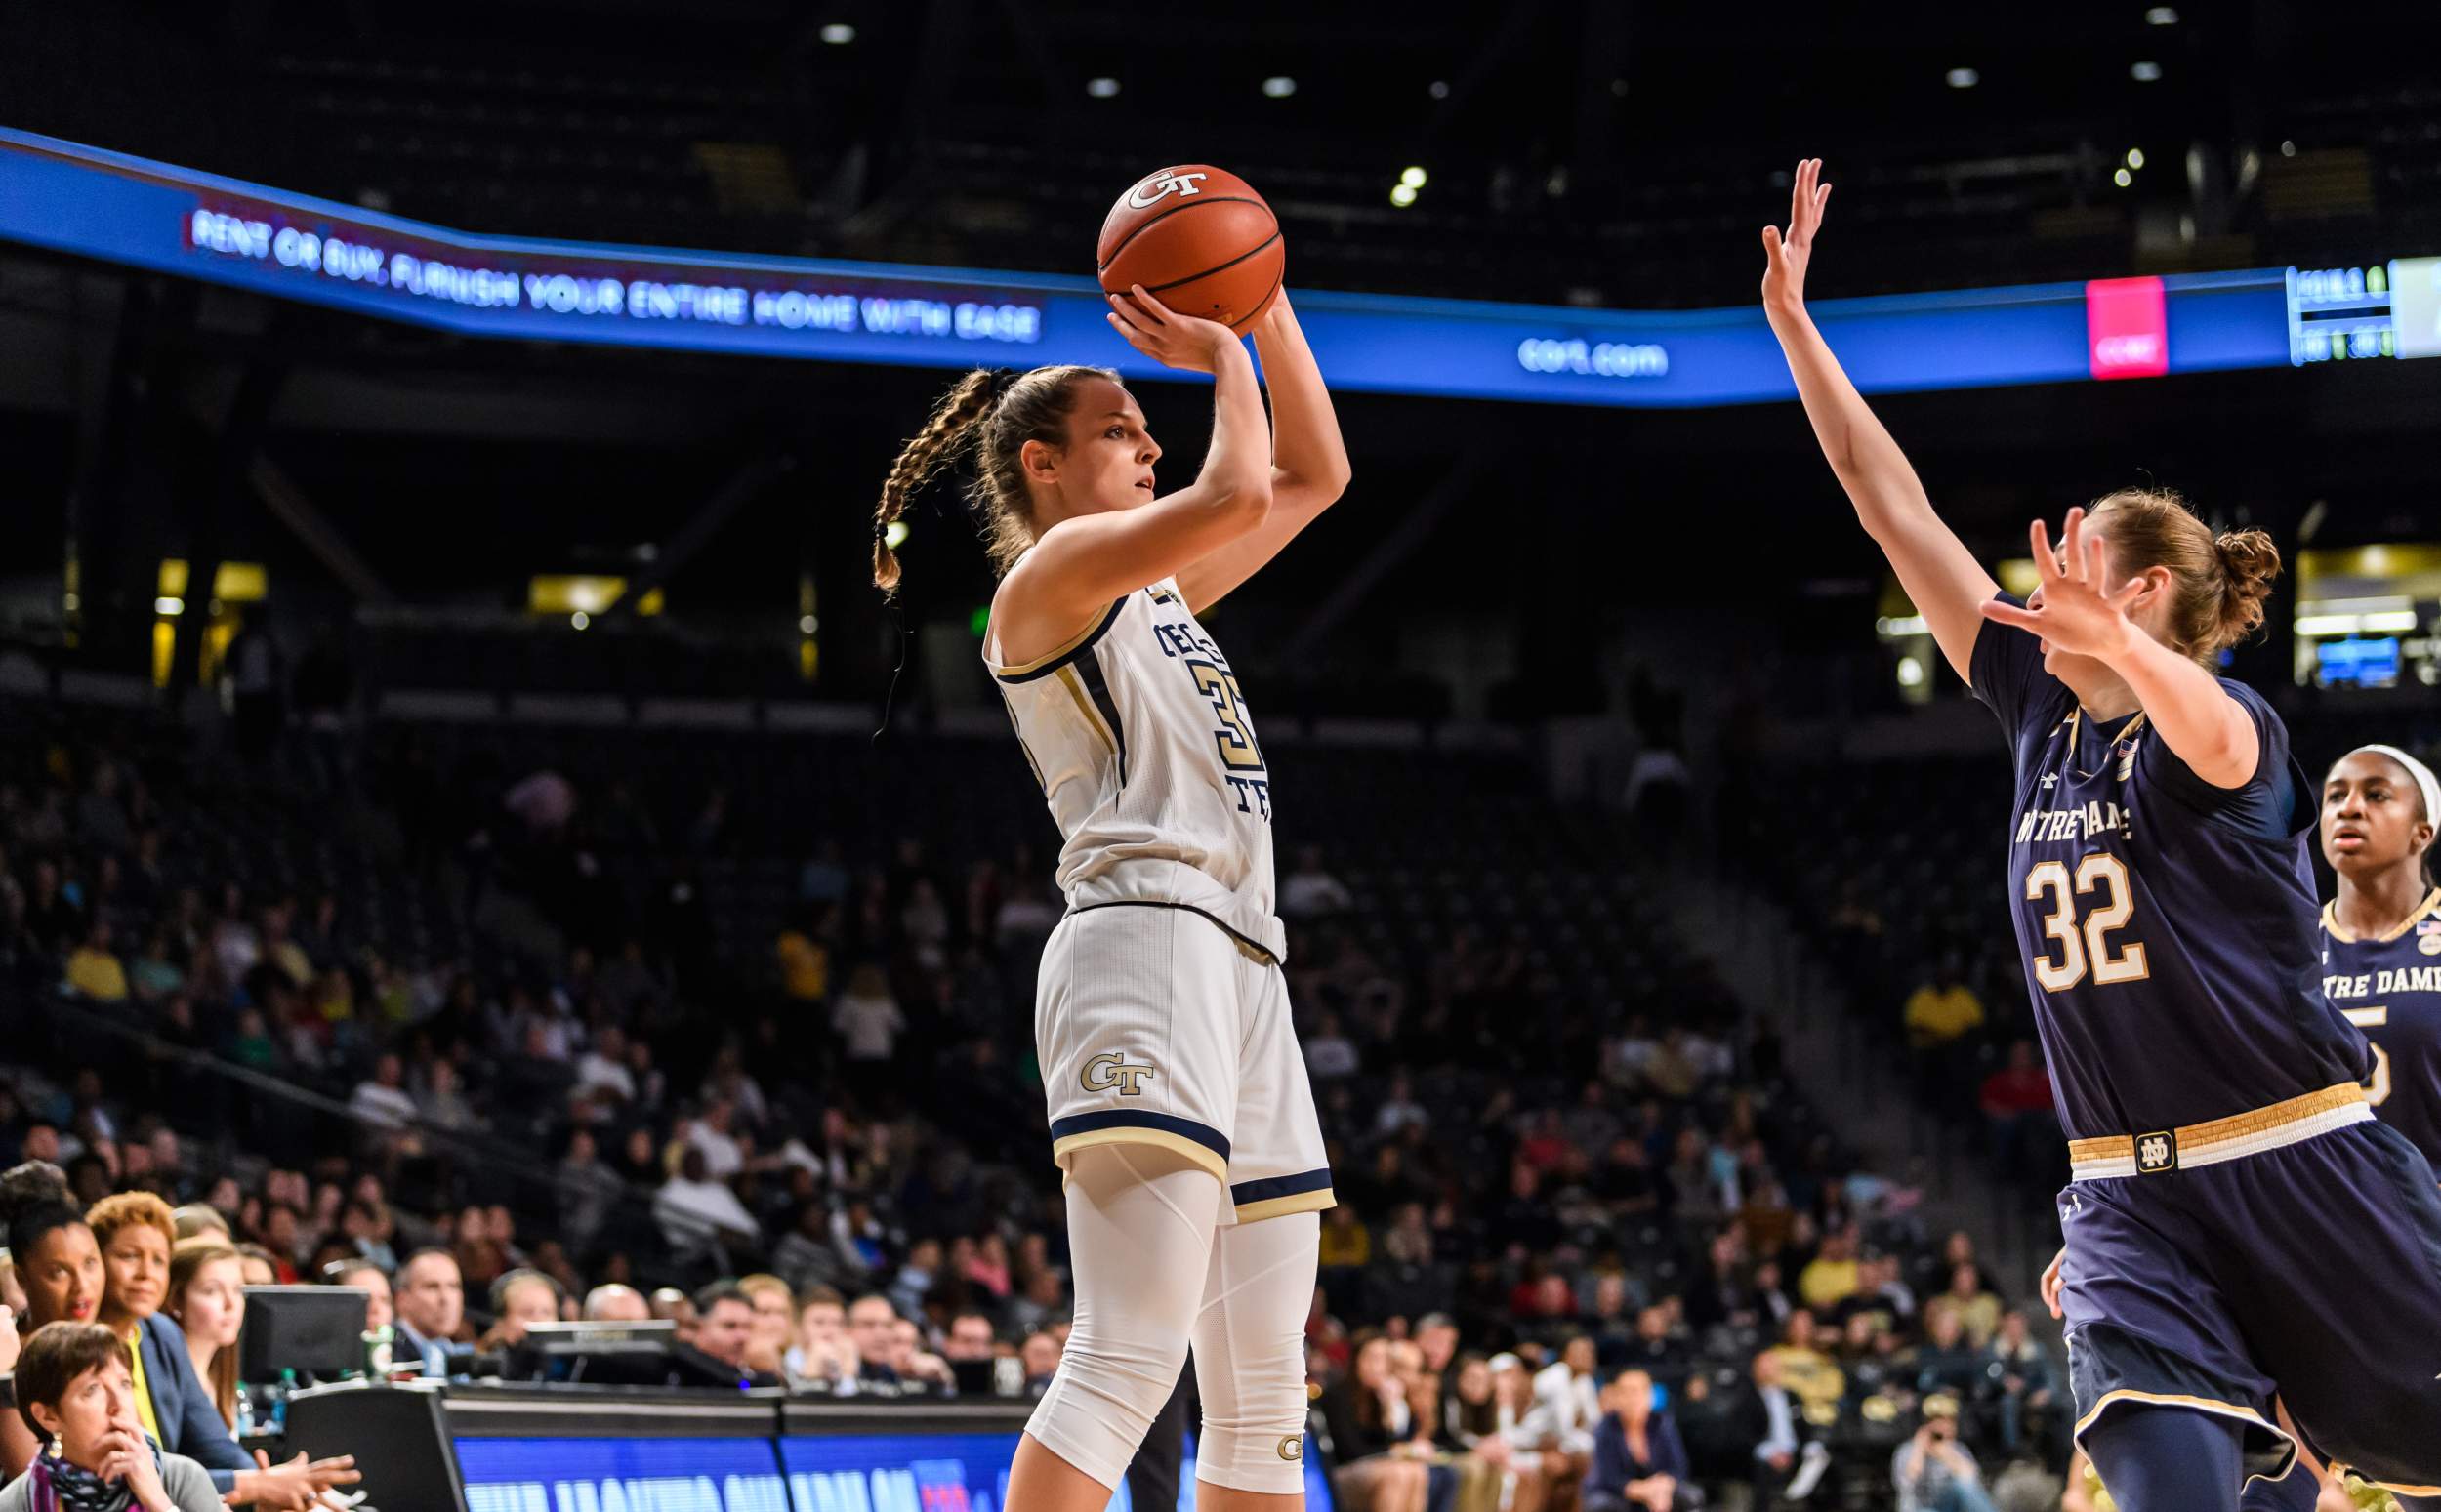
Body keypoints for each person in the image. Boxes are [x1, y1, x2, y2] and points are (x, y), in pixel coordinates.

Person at [1763, 156, 2441, 1506]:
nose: (2034, 591)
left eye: (2069, 571)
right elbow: (1886, 501)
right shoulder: (2030, 706)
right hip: (2128, 1199)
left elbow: (2213, 736)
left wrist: (2128, 646)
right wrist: (1796, 328)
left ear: (2132, 591)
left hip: (2303, 1160)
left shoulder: (2228, 731)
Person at [871, 258, 1348, 1512]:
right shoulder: (1046, 585)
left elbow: (1313, 478)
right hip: (1143, 946)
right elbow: (1241, 478)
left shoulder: (1155, 590)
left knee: (1264, 1402)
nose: (1149, 444)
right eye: (1121, 431)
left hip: (1245, 958)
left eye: (1150, 429)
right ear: (1042, 464)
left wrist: (1266, 304)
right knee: (1129, 1353)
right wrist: (1222, 359)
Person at [2316, 746, 2441, 1171]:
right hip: (2329, 1215)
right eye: (2335, 796)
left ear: (2422, 833)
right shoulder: (2288, 949)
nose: (2349, 808)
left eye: (2377, 795)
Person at [0, 1321, 220, 1512]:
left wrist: (158, 1502)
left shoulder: (182, 1480)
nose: (118, 1405)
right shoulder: (14, 1503)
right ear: (47, 1415)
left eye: (125, 1384)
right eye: (93, 1389)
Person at [1318, 1335, 1429, 1512]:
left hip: (1375, 1467)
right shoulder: (1338, 1395)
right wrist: (1395, 1451)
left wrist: (1394, 1406)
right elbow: (1351, 1451)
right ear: (1356, 1359)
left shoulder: (1379, 1394)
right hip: (1342, 1472)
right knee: (1397, 1474)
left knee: (1417, 1472)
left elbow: (1401, 1440)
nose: (1377, 1366)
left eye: (1384, 1359)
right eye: (1371, 1357)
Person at [1581, 1368, 1692, 1512]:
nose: (1631, 1399)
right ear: (1617, 1397)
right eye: (1624, 1392)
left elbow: (1678, 1467)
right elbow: (1606, 1476)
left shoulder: (1663, 1424)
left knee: (1690, 1496)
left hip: (1659, 1488)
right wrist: (1644, 1491)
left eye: (1636, 1391)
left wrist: (1662, 1487)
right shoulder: (1605, 1427)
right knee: (1599, 1504)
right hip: (1618, 1492)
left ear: (1650, 1396)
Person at [164, 1239, 244, 1433]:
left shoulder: (220, 1378)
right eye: (212, 1291)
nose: (231, 1304)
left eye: (237, 1290)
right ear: (175, 1300)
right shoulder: (166, 1381)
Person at [1889, 1399, 2000, 1512]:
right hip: (1919, 1508)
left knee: (1965, 1484)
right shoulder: (1907, 1449)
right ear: (1928, 1424)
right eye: (1941, 1421)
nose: (1947, 1426)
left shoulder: (1958, 1449)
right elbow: (1906, 1485)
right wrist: (1919, 1450)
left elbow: (1973, 1481)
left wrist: (1947, 1453)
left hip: (1948, 1506)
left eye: (1951, 1421)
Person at [392, 1248, 468, 1377]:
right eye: (432, 1287)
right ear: (402, 1299)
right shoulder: (388, 1357)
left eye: (454, 1286)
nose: (446, 1298)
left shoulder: (460, 1355)